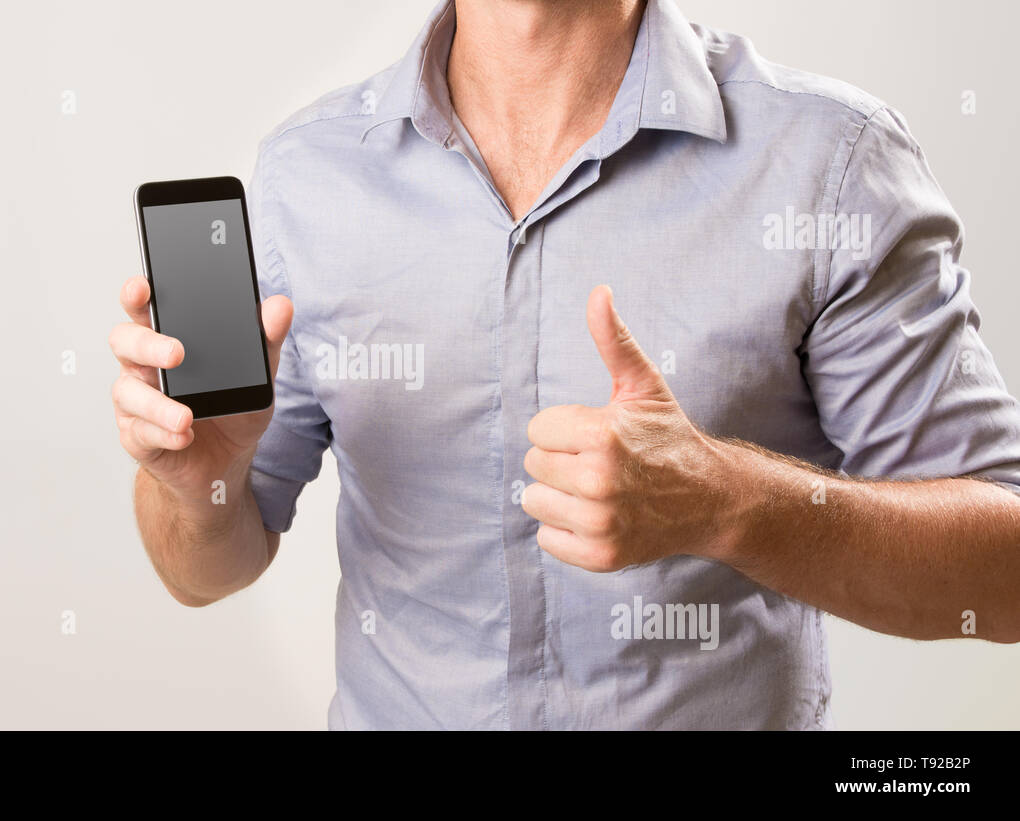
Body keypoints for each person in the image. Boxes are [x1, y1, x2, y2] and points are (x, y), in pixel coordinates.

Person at [108, 0, 1020, 729]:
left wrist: (728, 500)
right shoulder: (306, 178)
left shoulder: (828, 164)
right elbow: (203, 572)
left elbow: (1004, 576)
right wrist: (203, 485)